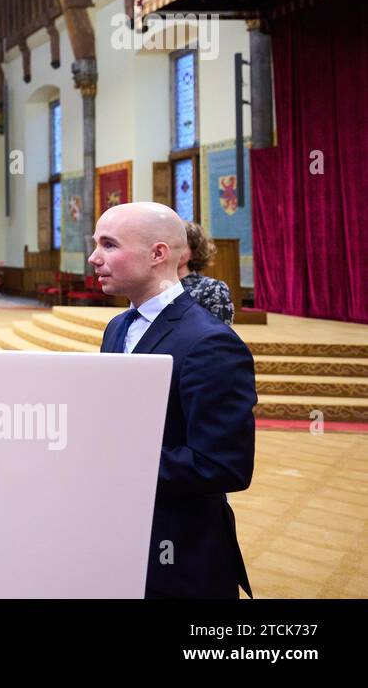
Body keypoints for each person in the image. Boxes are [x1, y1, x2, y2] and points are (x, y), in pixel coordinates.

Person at [91, 202, 256, 599]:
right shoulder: (119, 326)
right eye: (96, 244)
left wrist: (108, 463)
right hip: (122, 537)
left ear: (158, 254)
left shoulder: (210, 342)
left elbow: (222, 465)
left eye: (109, 245)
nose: (95, 258)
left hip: (179, 550)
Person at [179, 221, 235, 324]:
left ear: (194, 252)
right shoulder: (151, 287)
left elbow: (220, 336)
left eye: (180, 244)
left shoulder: (213, 289)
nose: (171, 249)